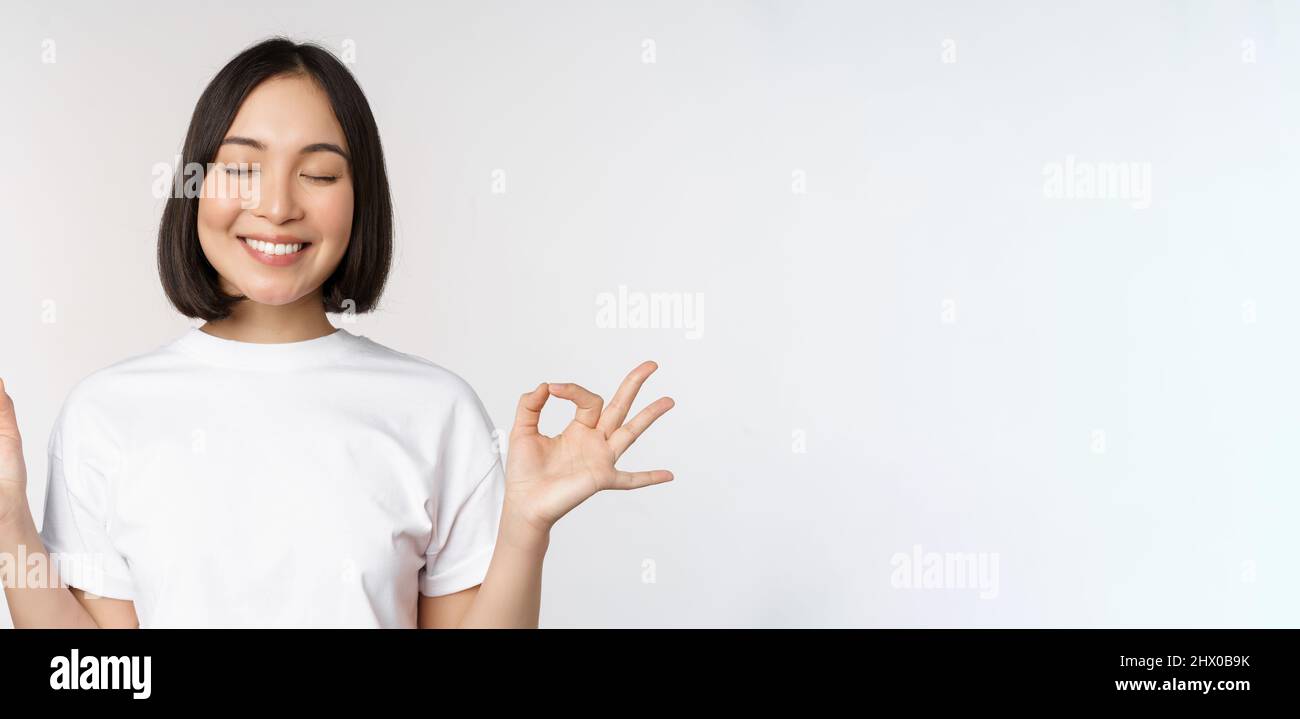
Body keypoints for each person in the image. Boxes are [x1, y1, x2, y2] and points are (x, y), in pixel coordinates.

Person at [0, 37, 674, 628]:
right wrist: (7, 523)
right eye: (241, 167)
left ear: (361, 198)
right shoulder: (106, 413)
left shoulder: (435, 409)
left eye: (318, 173)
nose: (277, 205)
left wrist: (524, 527)